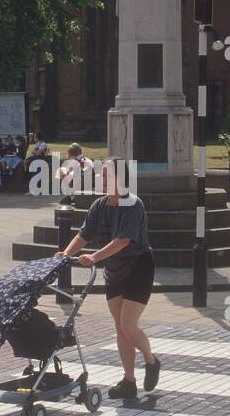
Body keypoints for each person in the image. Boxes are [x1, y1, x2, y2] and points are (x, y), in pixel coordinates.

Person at [58, 159, 160, 399]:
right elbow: (84, 235)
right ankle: (129, 380)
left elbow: (123, 240)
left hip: (138, 267)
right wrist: (65, 254)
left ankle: (151, 359)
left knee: (128, 325)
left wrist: (94, 257)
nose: (101, 180)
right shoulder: (99, 205)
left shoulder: (133, 205)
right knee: (120, 329)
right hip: (114, 269)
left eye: (107, 176)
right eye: (101, 176)